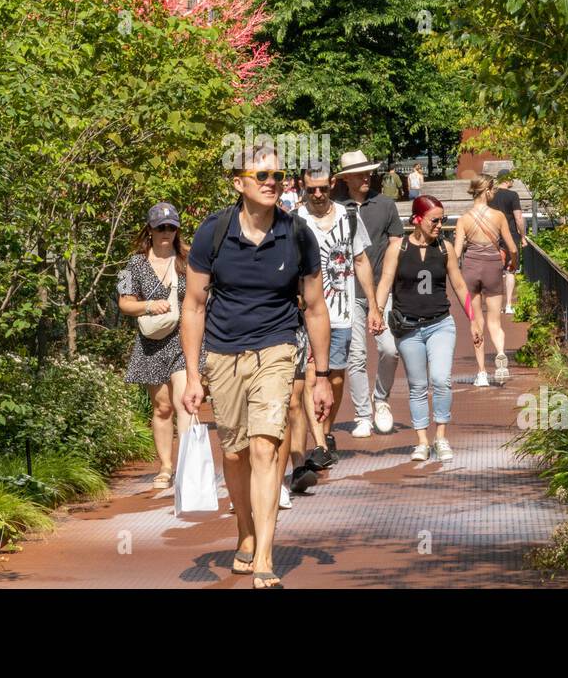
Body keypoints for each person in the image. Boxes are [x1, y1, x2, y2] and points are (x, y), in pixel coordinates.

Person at [181, 146, 333, 589]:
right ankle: (245, 532)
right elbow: (193, 306)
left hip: (277, 348)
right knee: (235, 451)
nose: (272, 182)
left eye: (278, 175)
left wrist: (320, 376)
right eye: (262, 175)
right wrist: (193, 375)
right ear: (239, 183)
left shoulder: (297, 234)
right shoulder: (214, 231)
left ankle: (265, 555)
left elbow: (315, 307)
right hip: (223, 352)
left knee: (266, 445)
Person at [376, 194, 480, 463]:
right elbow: (386, 281)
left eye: (443, 220)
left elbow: (458, 285)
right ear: (417, 220)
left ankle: (441, 437)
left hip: (440, 325)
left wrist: (473, 318)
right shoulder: (397, 249)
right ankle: (422, 441)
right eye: (435, 220)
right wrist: (375, 312)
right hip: (408, 328)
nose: (439, 225)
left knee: (442, 380)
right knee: (418, 386)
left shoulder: (444, 249)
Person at [298, 167, 384, 443]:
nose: (318, 194)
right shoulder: (295, 221)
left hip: (342, 313)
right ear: (303, 186)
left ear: (333, 183)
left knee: (335, 377)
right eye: (312, 189)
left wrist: (373, 305)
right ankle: (320, 445)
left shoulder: (348, 216)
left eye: (323, 188)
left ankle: (326, 432)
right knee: (312, 376)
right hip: (307, 315)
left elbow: (360, 260)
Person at [117, 202, 190, 489]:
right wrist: (148, 306)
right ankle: (166, 467)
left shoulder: (187, 258)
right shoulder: (133, 264)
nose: (166, 232)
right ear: (149, 229)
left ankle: (185, 465)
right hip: (151, 343)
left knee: (183, 402)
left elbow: (203, 295)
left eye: (171, 227)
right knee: (161, 407)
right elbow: (124, 302)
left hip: (184, 339)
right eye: (160, 227)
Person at [335, 150, 406, 437]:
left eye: (368, 172)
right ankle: (363, 414)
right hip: (347, 292)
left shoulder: (385, 204)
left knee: (390, 348)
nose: (366, 177)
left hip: (381, 288)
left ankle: (381, 400)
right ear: (346, 178)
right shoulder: (335, 207)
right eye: (359, 173)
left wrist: (383, 289)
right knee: (356, 356)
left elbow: (395, 242)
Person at [454, 178, 519, 387]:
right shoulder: (498, 216)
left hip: (471, 268)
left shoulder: (463, 219)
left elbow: (455, 254)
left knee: (476, 322)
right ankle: (500, 353)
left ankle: (481, 373)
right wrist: (513, 265)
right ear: (488, 191)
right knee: (494, 322)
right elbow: (513, 248)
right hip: (493, 266)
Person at [490, 171, 526, 315]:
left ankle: (496, 306)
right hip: (510, 236)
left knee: (495, 272)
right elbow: (518, 218)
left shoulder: (491, 195)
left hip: (493, 237)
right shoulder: (513, 195)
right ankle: (509, 304)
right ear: (507, 180)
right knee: (510, 271)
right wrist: (523, 236)